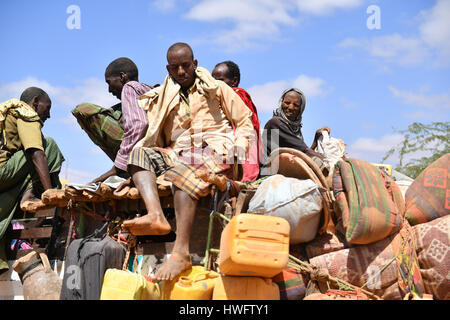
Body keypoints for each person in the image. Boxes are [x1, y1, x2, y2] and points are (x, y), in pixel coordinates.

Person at [120, 42, 254, 281]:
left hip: (216, 148)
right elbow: (155, 135)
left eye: (185, 66)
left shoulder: (217, 88)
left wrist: (238, 150)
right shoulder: (163, 95)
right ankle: (156, 216)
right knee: (138, 154)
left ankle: (181, 252)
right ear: (168, 69)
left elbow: (244, 120)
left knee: (184, 169)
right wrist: (136, 177)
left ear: (195, 64)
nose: (181, 72)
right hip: (179, 152)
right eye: (175, 67)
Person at [0, 87, 65, 273]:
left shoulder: (7, 112)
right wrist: (50, 193)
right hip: (3, 171)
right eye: (48, 107)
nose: (49, 115)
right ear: (35, 102)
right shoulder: (26, 112)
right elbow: (36, 153)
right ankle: (28, 196)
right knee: (47, 145)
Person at [71, 57, 154, 183]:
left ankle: (121, 167)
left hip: (140, 151)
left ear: (122, 77)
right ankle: (121, 167)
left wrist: (118, 166)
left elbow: (139, 124)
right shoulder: (147, 90)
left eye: (109, 83)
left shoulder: (129, 87)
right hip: (151, 147)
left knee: (82, 110)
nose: (109, 90)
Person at [212, 60, 262, 181]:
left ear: (234, 81)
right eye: (212, 80)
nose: (214, 84)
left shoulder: (238, 96)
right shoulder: (216, 98)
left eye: (219, 80)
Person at [263, 87, 327, 162]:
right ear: (281, 103)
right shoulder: (275, 123)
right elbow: (304, 151)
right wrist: (328, 160)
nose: (290, 107)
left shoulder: (294, 128)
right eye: (287, 103)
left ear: (301, 109)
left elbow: (301, 153)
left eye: (296, 105)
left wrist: (315, 141)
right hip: (268, 171)